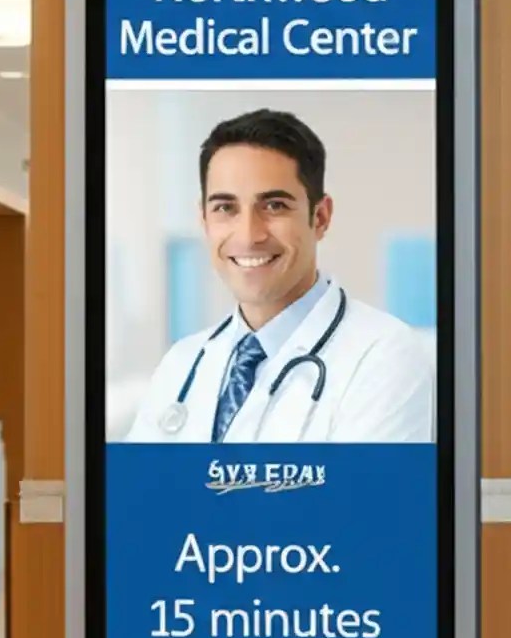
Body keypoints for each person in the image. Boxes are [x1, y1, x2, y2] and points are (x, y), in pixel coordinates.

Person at [125, 108, 434, 443]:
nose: (248, 235)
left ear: (320, 217)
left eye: (274, 206)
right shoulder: (181, 364)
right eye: (225, 208)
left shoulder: (384, 357)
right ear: (204, 220)